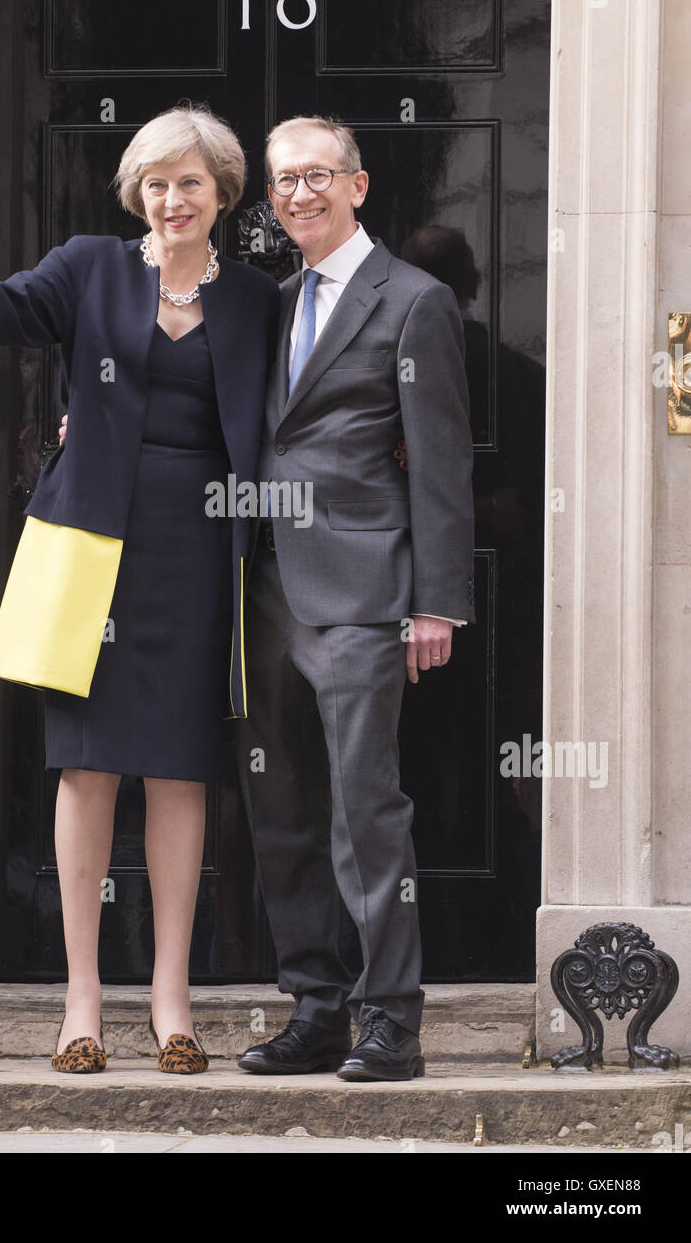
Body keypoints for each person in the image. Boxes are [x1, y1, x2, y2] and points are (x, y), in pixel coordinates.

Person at [0, 92, 279, 1075]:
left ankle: (169, 997)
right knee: (88, 763)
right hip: (87, 549)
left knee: (179, 764)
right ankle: (80, 997)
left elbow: (301, 414)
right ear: (136, 193)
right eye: (154, 183)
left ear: (222, 191)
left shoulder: (255, 300)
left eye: (188, 182)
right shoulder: (88, 268)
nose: (171, 199)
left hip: (199, 552)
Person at [233, 116, 475, 1082]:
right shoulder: (270, 301)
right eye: (283, 180)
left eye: (317, 176)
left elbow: (443, 464)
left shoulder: (413, 302)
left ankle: (391, 1021)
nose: (297, 193)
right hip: (266, 592)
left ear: (358, 187)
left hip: (366, 592)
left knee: (364, 810)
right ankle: (318, 1008)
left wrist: (437, 603)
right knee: (281, 806)